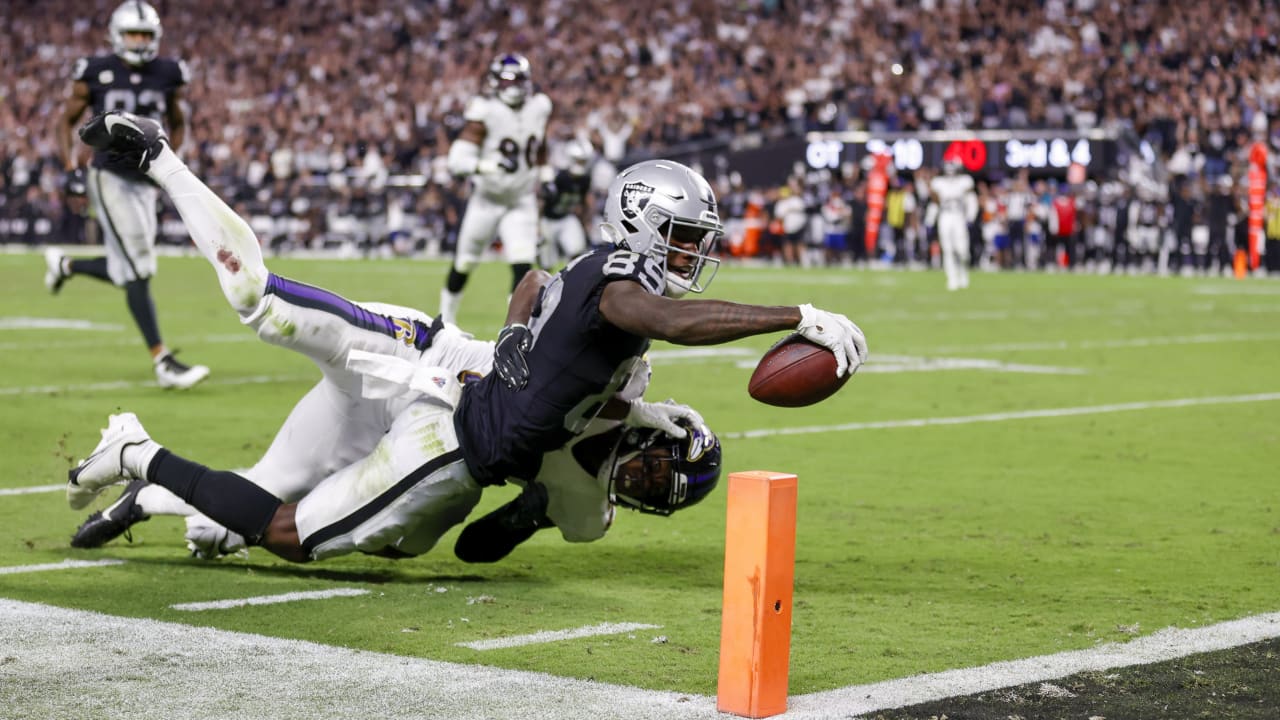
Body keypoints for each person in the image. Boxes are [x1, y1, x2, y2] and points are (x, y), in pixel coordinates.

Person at [68, 111, 867, 564]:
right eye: (686, 239)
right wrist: (798, 316)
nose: (697, 258)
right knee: (262, 304)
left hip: (447, 421)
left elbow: (547, 302)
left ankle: (144, 472)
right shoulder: (625, 294)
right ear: (644, 224)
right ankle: (160, 157)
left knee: (236, 519)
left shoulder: (618, 405)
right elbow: (654, 318)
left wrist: (548, 484)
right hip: (430, 364)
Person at [48, 0, 208, 389]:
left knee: (129, 268)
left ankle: (65, 265)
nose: (139, 42)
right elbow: (65, 122)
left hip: (146, 181)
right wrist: (70, 169)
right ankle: (163, 361)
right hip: (109, 176)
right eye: (133, 34)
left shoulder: (169, 72)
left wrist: (173, 160)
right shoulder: (96, 70)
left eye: (145, 35)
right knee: (138, 266)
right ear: (117, 36)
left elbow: (179, 122)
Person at [439, 53, 553, 325]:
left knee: (523, 265)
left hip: (521, 199)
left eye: (518, 81)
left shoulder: (539, 106)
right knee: (465, 262)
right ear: (494, 83)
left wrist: (545, 175)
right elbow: (457, 161)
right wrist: (490, 166)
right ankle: (446, 320)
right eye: (506, 81)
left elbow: (539, 147)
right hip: (486, 200)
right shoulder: (485, 110)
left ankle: (517, 328)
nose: (512, 87)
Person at [537, 138, 594, 269]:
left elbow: (584, 201)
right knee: (547, 263)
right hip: (548, 219)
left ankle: (572, 282)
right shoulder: (558, 178)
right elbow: (542, 201)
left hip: (566, 217)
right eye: (579, 160)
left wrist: (586, 222)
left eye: (584, 161)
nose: (581, 163)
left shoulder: (585, 179)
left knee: (577, 253)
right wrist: (538, 226)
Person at [928, 157, 978, 290]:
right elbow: (935, 202)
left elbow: (971, 200)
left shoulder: (965, 181)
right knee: (947, 249)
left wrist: (970, 217)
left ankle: (963, 272)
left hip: (959, 217)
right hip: (945, 216)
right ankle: (952, 278)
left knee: (962, 250)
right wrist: (930, 219)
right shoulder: (938, 183)